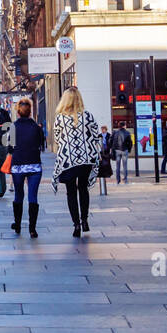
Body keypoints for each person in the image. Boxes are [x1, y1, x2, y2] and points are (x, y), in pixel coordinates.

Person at [51, 87, 101, 239]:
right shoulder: (88, 116)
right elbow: (96, 135)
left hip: (68, 160)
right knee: (83, 188)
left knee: (71, 192)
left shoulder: (60, 118)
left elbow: (57, 139)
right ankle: (84, 219)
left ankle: (76, 225)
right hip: (86, 159)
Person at [8, 97, 46, 238]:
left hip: (18, 166)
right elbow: (41, 145)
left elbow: (10, 148)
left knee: (19, 195)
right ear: (30, 112)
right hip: (34, 166)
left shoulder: (13, 127)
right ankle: (32, 229)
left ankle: (17, 224)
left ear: (18, 112)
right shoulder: (36, 127)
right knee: (32, 196)